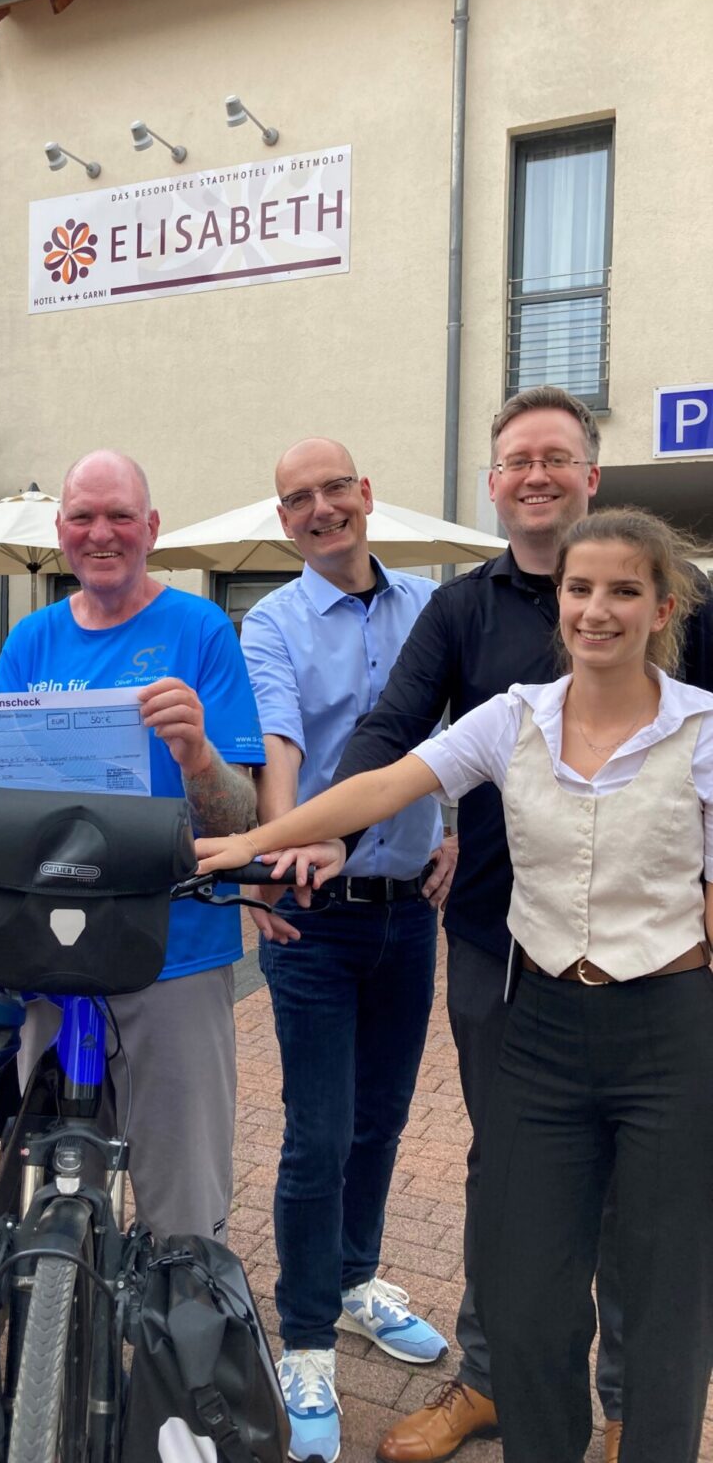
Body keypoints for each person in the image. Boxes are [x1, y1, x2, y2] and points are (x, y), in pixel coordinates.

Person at [196, 506, 713, 1463]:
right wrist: (261, 841)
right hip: (543, 1029)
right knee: (525, 1292)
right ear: (559, 604)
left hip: (670, 1032)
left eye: (624, 592)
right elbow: (388, 780)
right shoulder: (515, 716)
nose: (598, 610)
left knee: (668, 1292)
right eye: (580, 589)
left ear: (661, 608)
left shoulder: (703, 731)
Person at [330, 387, 713, 1463]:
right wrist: (331, 835)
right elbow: (394, 730)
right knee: (511, 1181)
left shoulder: (686, 601)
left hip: (652, 968)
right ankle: (494, 1383)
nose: (533, 474)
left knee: (644, 1203)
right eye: (513, 460)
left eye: (555, 456)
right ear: (494, 482)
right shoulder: (462, 610)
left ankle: (637, 1405)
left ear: (593, 474)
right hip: (499, 945)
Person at [0, 449, 264, 1243]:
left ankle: (179, 1355)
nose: (101, 532)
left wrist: (198, 758)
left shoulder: (202, 629)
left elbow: (238, 819)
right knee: (48, 1178)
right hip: (49, 953)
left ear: (151, 529)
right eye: (83, 516)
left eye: (120, 516)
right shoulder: (31, 641)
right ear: (61, 531)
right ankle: (56, 1344)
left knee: (183, 1205)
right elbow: (4, 801)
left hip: (172, 953)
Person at [237, 439, 455, 1463]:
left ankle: (360, 1278)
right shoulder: (272, 621)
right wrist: (279, 855)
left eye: (334, 490)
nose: (320, 509)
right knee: (316, 1136)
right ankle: (307, 1337)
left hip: (409, 912)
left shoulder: (430, 607)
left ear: (367, 496)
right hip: (315, 919)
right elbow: (278, 746)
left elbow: (453, 736)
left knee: (381, 1122)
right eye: (298, 500)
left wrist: (451, 825)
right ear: (285, 522)